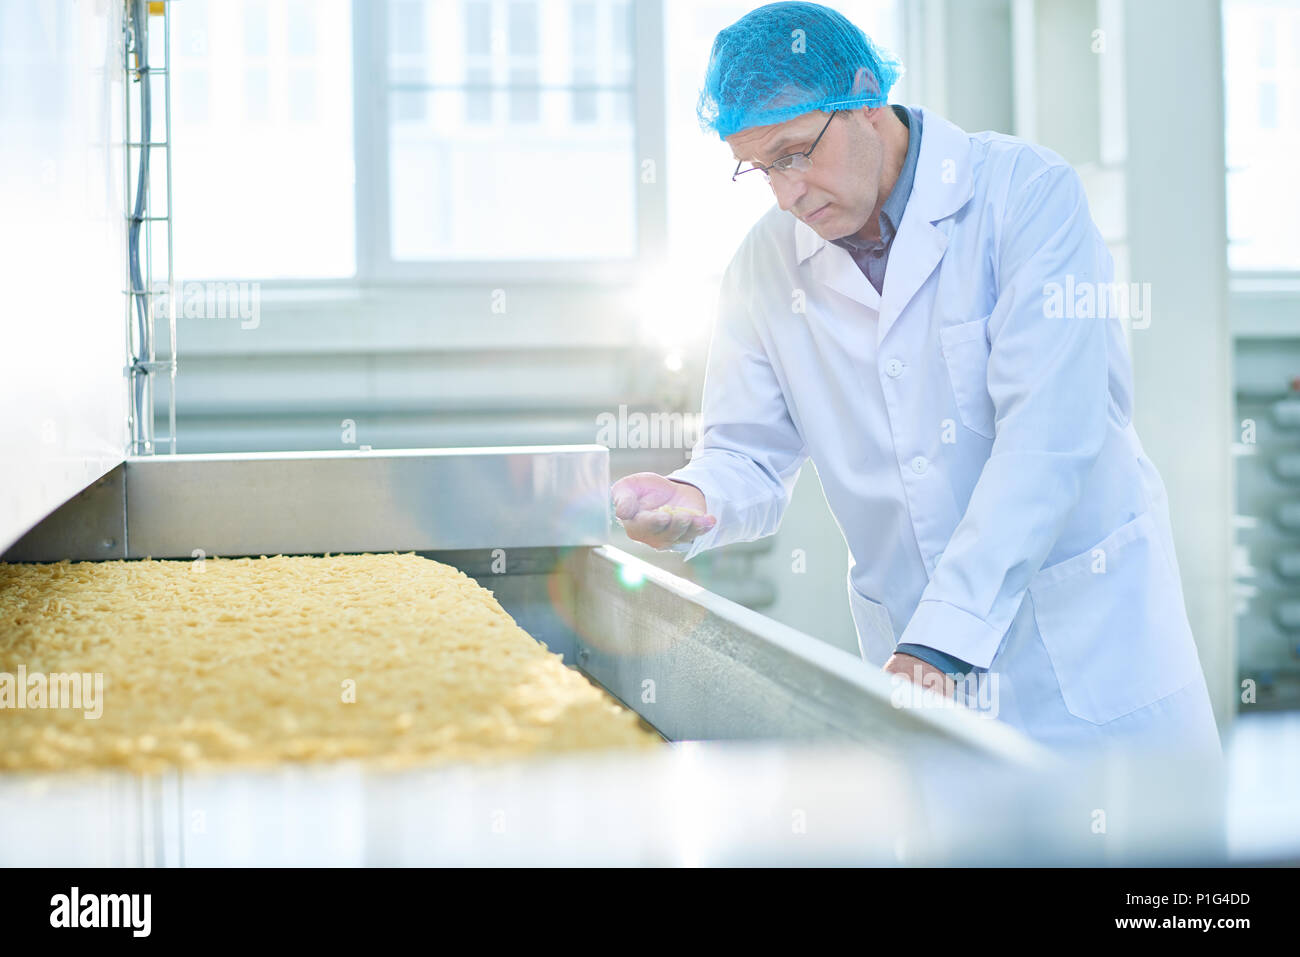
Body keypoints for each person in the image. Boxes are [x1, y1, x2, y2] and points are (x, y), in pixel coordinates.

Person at [611, 1, 1221, 760]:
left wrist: (942, 639)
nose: (786, 194)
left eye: (796, 152)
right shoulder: (763, 266)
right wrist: (697, 496)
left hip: (1091, 658)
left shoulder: (1025, 197)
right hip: (919, 675)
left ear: (866, 99)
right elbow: (749, 456)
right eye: (760, 168)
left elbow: (1051, 437)